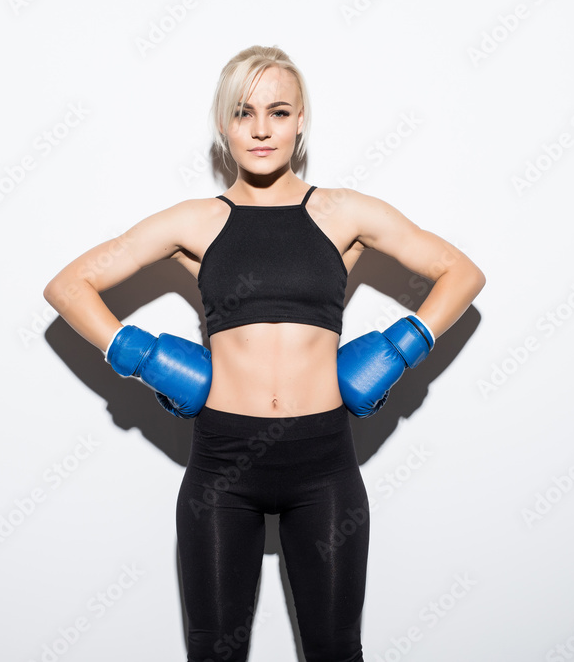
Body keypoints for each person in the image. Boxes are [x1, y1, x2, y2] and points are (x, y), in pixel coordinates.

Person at [43, 44, 485, 662]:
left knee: (335, 650)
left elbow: (460, 274)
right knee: (214, 654)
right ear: (224, 126)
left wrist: (396, 349)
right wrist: (142, 357)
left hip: (324, 463)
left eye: (278, 112)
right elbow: (67, 287)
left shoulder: (342, 212)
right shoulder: (196, 221)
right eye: (243, 113)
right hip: (223, 466)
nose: (260, 129)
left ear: (301, 120)